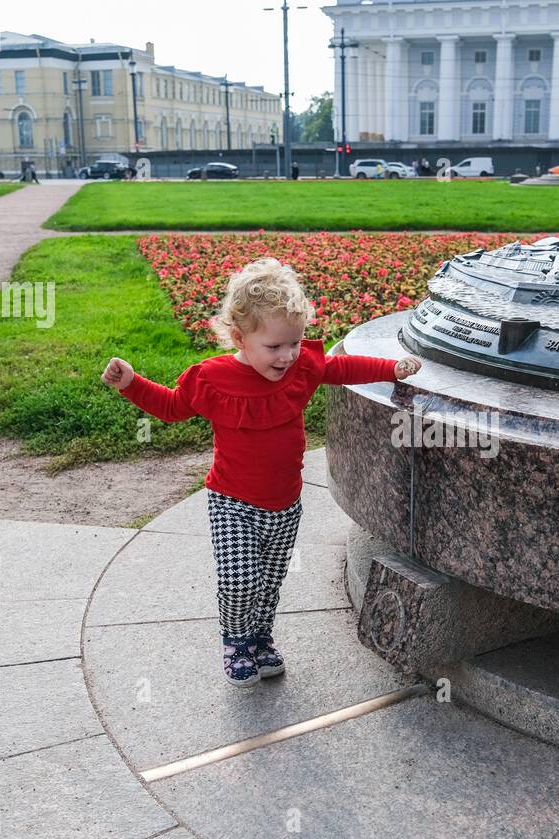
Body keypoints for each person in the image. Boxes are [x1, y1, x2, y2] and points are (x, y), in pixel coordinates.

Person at [101, 258, 423, 687]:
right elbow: (171, 408)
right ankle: (235, 640)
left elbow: (339, 368)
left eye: (295, 342)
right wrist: (131, 384)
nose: (288, 355)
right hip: (231, 500)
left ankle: (260, 637)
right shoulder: (212, 378)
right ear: (239, 338)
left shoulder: (301, 367)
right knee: (241, 580)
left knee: (269, 582)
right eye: (275, 347)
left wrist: (389, 369)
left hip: (285, 504)